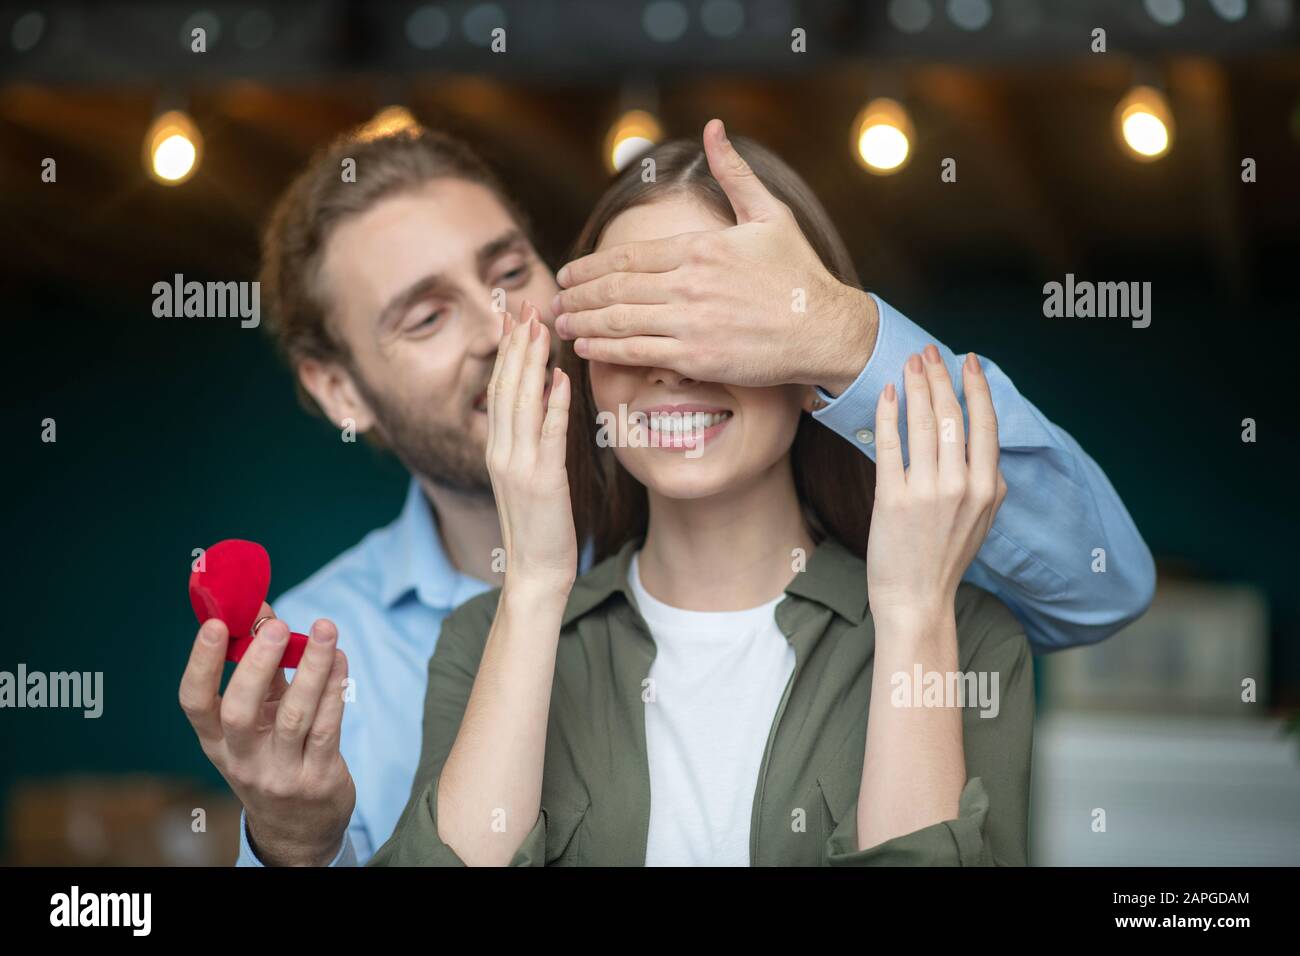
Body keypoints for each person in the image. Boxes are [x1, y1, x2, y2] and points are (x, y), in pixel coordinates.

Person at [177, 120, 1151, 867]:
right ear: (338, 388)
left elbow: (1097, 582)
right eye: (426, 315)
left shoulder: (948, 622)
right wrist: (294, 841)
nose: (501, 328)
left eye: (514, 274)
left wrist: (840, 333)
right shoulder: (442, 642)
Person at [371, 136, 1032, 866]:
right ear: (583, 366)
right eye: (632, 319)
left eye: (714, 319)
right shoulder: (481, 641)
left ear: (810, 361)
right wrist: (531, 587)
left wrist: (912, 615)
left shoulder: (966, 639)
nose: (672, 364)